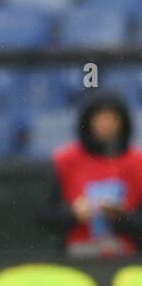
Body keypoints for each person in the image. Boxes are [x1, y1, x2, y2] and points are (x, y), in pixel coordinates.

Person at [41, 90, 142, 257]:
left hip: (129, 257)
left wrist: (121, 217)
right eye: (99, 118)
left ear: (122, 122)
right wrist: (74, 213)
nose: (105, 124)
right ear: (88, 122)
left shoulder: (138, 162)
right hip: (78, 254)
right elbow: (45, 214)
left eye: (111, 118)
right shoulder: (65, 160)